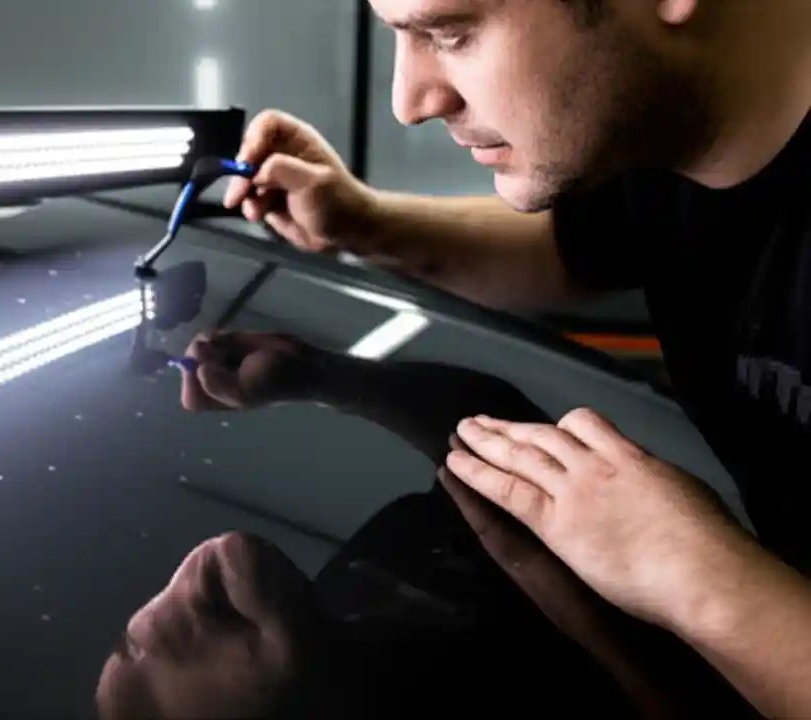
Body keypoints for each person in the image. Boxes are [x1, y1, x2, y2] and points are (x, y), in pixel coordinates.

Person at [213, 0, 811, 715]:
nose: (410, 101)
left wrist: (692, 571)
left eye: (451, 33)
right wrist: (362, 223)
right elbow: (569, 251)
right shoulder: (673, 134)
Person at [98, 345, 754, 718]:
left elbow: (504, 444)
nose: (148, 636)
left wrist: (330, 379)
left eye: (125, 647)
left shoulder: (363, 582)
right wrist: (620, 647)